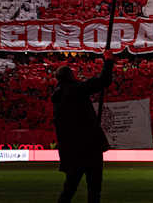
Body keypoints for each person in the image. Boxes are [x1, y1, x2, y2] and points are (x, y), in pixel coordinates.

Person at [53, 58, 114, 203]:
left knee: (69, 189)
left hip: (72, 151)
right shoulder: (74, 90)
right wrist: (108, 61)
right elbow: (103, 81)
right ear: (70, 76)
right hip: (89, 147)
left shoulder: (58, 95)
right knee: (94, 190)